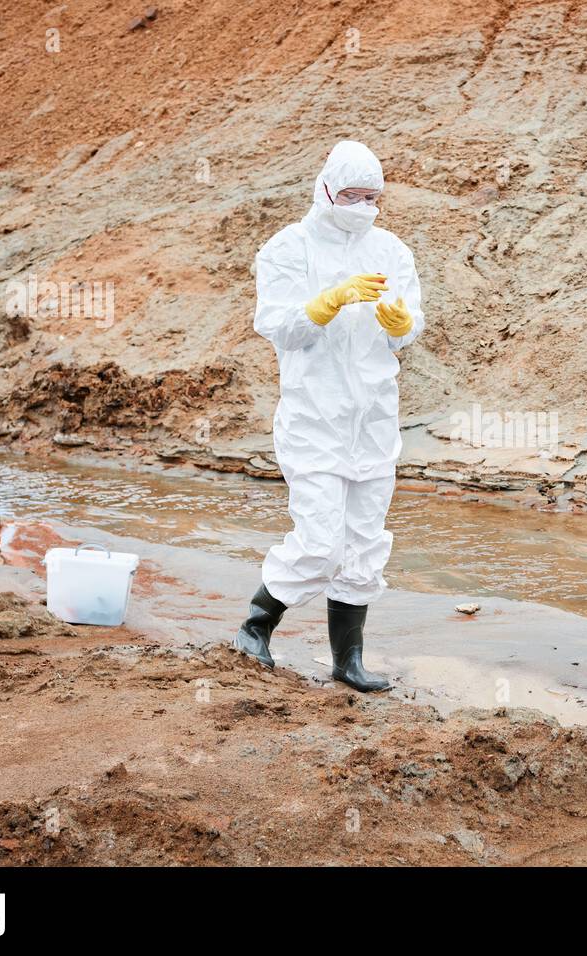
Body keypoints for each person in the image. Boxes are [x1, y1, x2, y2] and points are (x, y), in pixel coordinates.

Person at [232, 140, 424, 692]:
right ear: (324, 189)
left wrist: (397, 321)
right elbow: (279, 326)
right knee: (321, 542)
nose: (361, 205)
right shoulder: (288, 247)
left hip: (374, 419)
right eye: (350, 194)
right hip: (315, 416)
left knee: (364, 542)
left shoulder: (391, 250)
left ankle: (348, 659)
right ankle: (255, 626)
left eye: (371, 196)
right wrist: (327, 301)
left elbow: (411, 328)